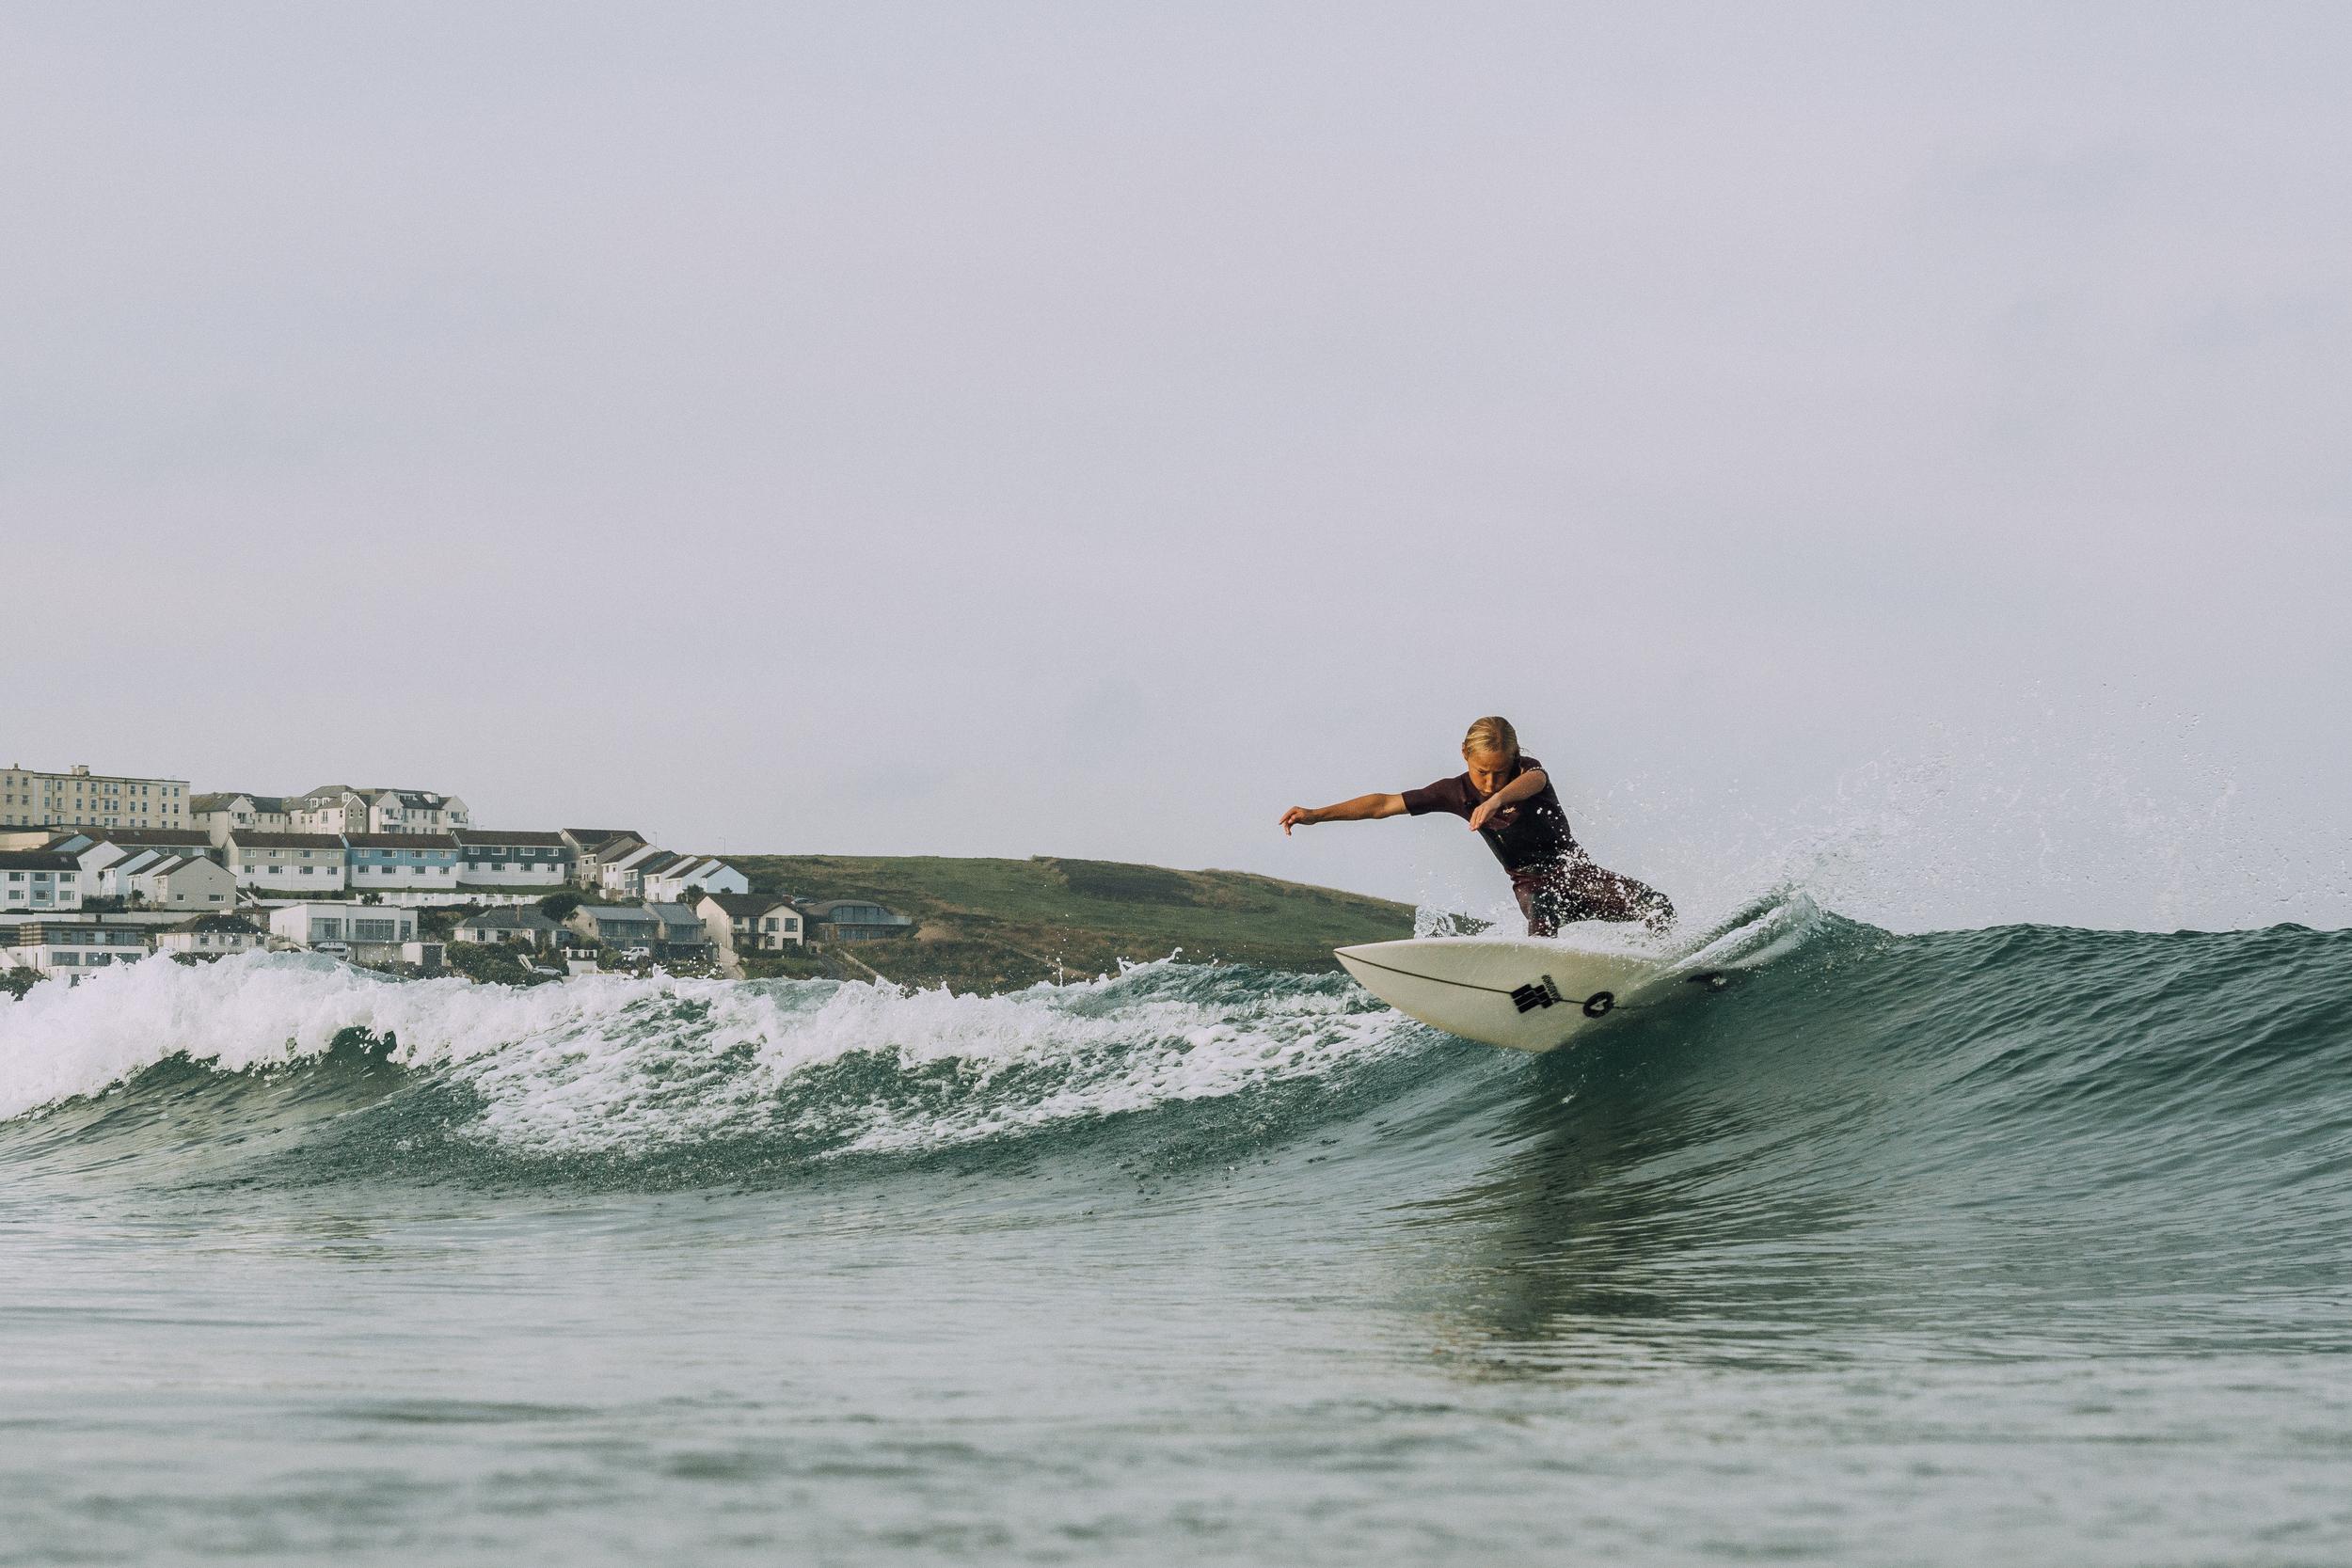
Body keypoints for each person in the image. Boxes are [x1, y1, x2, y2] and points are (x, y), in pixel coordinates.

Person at [1279, 716, 1673, 938]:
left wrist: (1498, 800)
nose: (1489, 781)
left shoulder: (1528, 773)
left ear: (1515, 757)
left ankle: (1671, 970)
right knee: (1542, 912)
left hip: (1577, 873)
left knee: (1658, 905)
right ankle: (1542, 989)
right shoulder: (1454, 792)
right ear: (1465, 755)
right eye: (1481, 771)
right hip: (1531, 884)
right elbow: (1383, 804)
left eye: (1499, 771)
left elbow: (1534, 781)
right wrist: (1317, 814)